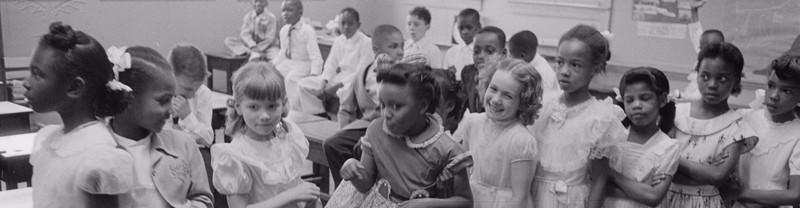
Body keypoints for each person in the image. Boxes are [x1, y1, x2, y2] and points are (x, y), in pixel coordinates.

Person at [331, 63, 473, 207]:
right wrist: (353, 171)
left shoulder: (446, 149)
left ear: (422, 106)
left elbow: (465, 202)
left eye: (396, 106)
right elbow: (365, 185)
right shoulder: (376, 131)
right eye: (383, 105)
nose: (386, 114)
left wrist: (425, 204)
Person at [25, 22, 133, 208]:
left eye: (38, 74)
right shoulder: (48, 139)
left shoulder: (98, 157)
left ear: (74, 87)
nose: (26, 83)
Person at [529, 24, 627, 208]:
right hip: (533, 198)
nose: (564, 71)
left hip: (571, 200)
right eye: (560, 62)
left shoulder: (600, 118)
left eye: (575, 65)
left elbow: (599, 181)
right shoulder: (542, 105)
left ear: (595, 68)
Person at [106, 46, 213, 208]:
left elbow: (203, 199)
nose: (171, 109)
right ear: (129, 99)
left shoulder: (185, 145)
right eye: (163, 100)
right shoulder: (99, 148)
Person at [211, 61, 324, 208]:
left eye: (272, 106)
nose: (264, 115)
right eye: (254, 107)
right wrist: (291, 196)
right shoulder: (236, 156)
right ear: (238, 107)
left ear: (283, 104)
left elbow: (291, 185)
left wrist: (307, 199)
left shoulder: (288, 138)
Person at [661, 42, 758, 208]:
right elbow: (658, 163)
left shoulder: (736, 126)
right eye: (705, 76)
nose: (712, 84)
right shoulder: (675, 113)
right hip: (664, 198)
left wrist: (672, 158)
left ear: (736, 81)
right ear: (697, 74)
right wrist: (705, 170)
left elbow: (717, 176)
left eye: (722, 78)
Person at [324, 24, 405, 187]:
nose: (400, 52)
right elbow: (346, 108)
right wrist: (343, 129)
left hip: (396, 129)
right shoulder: (361, 74)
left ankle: (369, 189)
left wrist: (386, 77)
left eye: (402, 46)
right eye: (394, 46)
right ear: (376, 49)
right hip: (365, 126)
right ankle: (344, 189)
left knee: (362, 147)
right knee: (332, 144)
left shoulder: (406, 74)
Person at [454, 58, 542, 207]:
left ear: (523, 102)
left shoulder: (521, 140)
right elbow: (465, 171)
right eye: (493, 89)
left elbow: (520, 197)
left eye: (507, 96)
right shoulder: (472, 123)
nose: (496, 100)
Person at [729, 53, 800, 207]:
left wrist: (741, 194)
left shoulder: (797, 134)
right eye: (771, 86)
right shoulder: (744, 117)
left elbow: (795, 194)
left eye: (787, 91)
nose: (774, 96)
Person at [603, 67, 680, 208]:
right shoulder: (611, 136)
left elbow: (653, 197)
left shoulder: (669, 147)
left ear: (662, 100)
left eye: (645, 98)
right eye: (630, 100)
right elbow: (595, 184)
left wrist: (611, 175)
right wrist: (641, 189)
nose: (637, 105)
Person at [297, 7, 373, 116]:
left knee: (346, 90)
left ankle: (345, 116)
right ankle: (319, 112)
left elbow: (361, 72)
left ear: (358, 25)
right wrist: (324, 82)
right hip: (339, 77)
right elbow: (331, 64)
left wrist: (337, 86)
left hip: (354, 80)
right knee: (303, 83)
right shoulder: (339, 41)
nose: (346, 27)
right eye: (343, 23)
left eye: (350, 24)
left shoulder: (366, 42)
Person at [274, 0, 324, 112]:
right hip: (290, 62)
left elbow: (315, 56)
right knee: (275, 74)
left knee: (291, 79)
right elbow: (283, 51)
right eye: (283, 10)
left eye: (289, 10)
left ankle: (295, 110)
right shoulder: (284, 30)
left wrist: (314, 75)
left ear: (300, 12)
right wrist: (274, 64)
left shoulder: (307, 31)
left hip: (304, 63)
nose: (285, 14)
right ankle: (281, 106)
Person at [167, 44, 214, 147]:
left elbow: (208, 139)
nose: (192, 95)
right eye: (187, 89)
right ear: (171, 75)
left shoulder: (203, 93)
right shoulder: (159, 93)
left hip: (193, 150)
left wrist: (187, 117)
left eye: (196, 88)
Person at [462, 26, 507, 113]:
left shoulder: (508, 80)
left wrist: (485, 84)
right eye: (476, 51)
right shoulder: (468, 72)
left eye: (489, 51)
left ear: (503, 54)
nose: (481, 56)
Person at [508, 30, 561, 101]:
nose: (509, 57)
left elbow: (540, 103)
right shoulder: (532, 60)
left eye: (511, 54)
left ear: (522, 55)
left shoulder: (540, 74)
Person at [674, 29, 725, 103]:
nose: (702, 52)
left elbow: (702, 96)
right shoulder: (702, 61)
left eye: (708, 48)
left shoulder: (721, 68)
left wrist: (681, 96)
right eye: (701, 48)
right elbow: (694, 86)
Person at [443, 8, 481, 81]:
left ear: (478, 27)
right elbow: (444, 79)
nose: (464, 32)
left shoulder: (482, 54)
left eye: (469, 27)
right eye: (461, 28)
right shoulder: (451, 52)